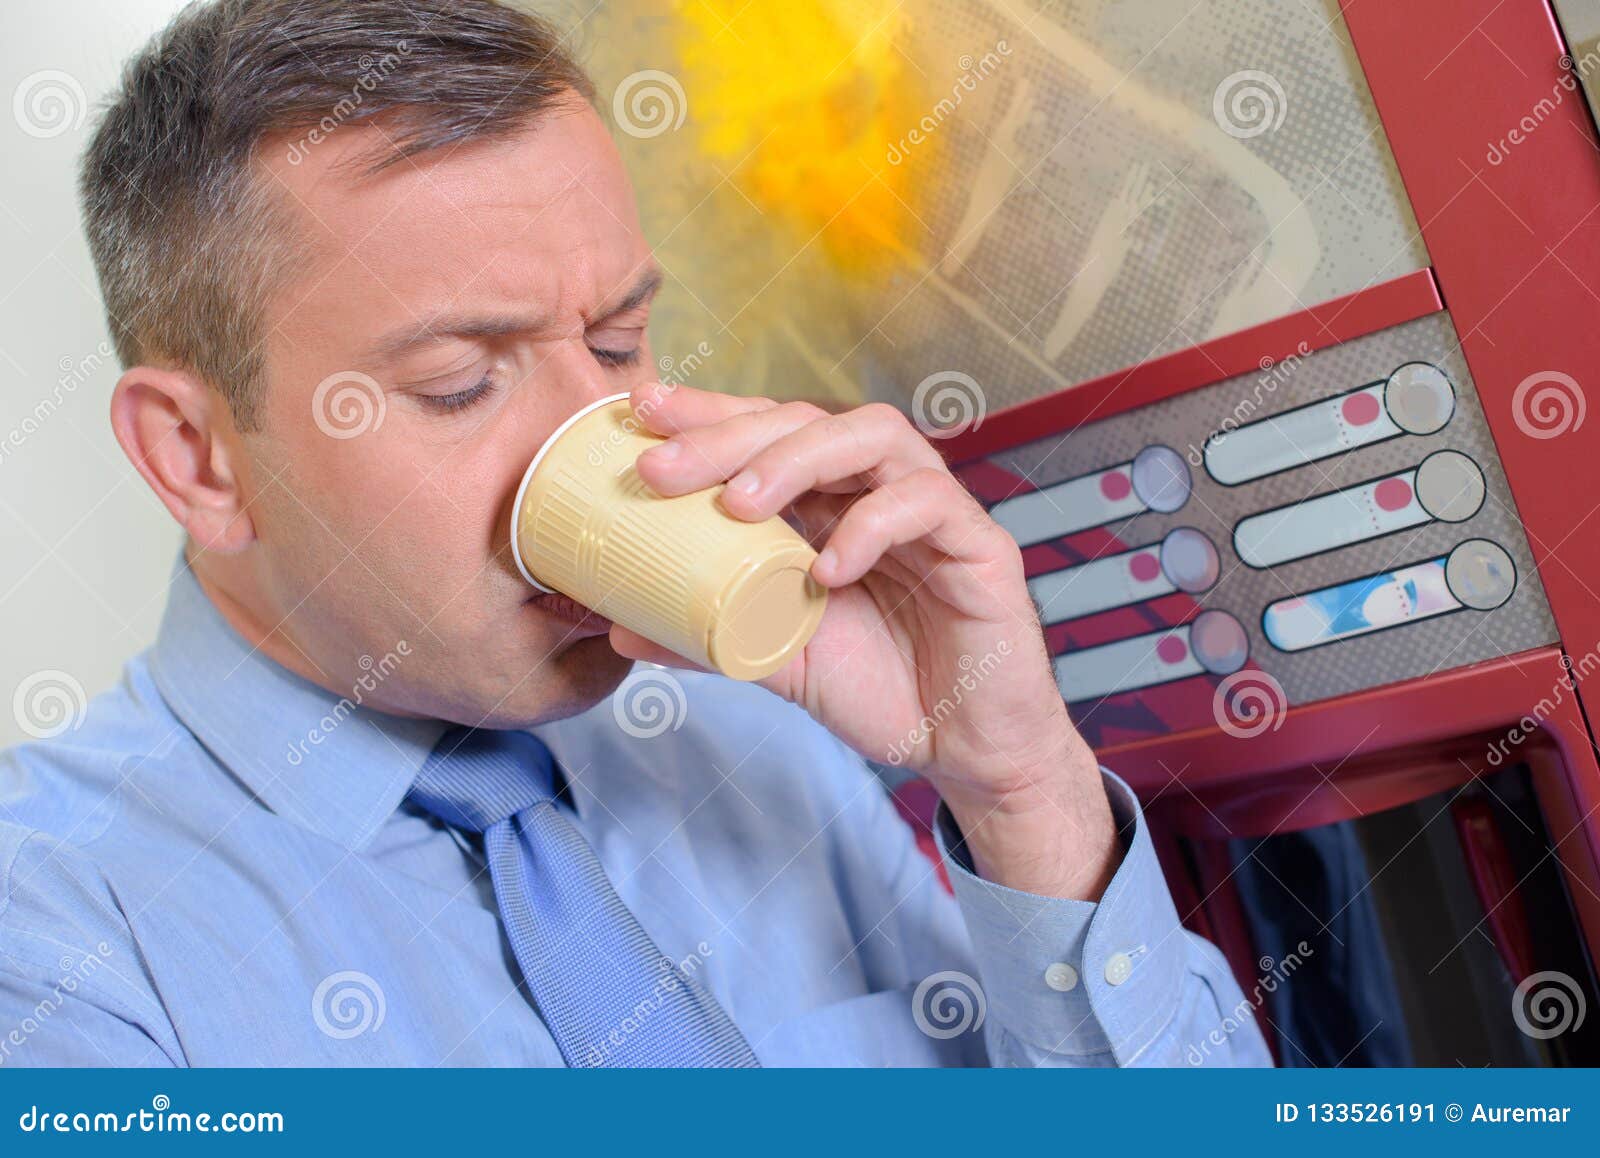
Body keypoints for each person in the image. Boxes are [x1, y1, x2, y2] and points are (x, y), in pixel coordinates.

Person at [0, 0, 1267, 1067]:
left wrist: (1021, 790)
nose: (608, 444)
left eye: (616, 343)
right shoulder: (53, 936)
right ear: (197, 457)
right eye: (459, 383)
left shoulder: (752, 739)